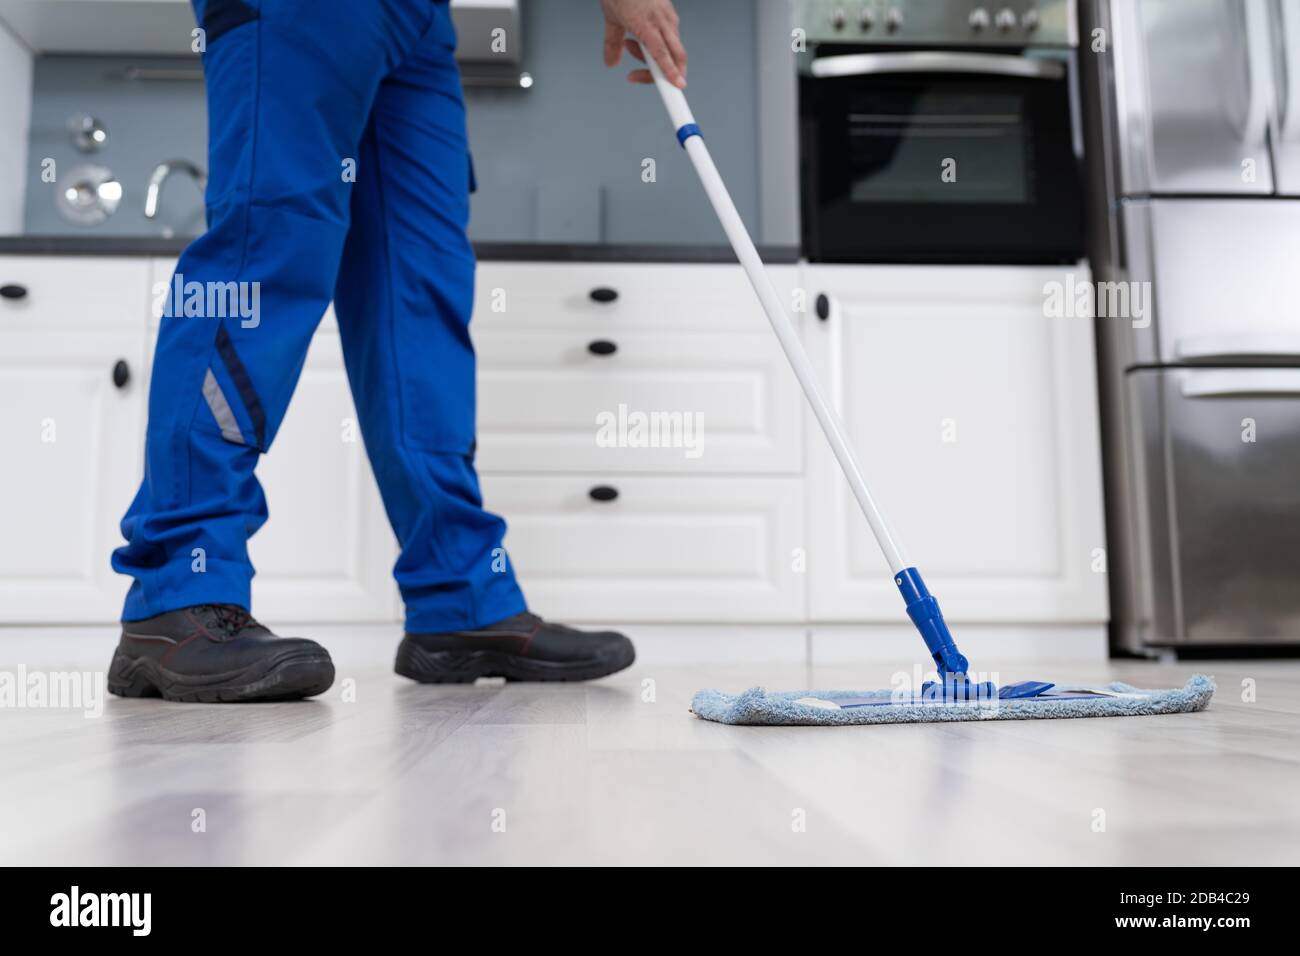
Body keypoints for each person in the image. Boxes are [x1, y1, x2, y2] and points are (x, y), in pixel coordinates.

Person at [107, 0, 688, 702]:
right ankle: (177, 588)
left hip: (418, 18)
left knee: (420, 288)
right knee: (264, 251)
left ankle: (460, 598)